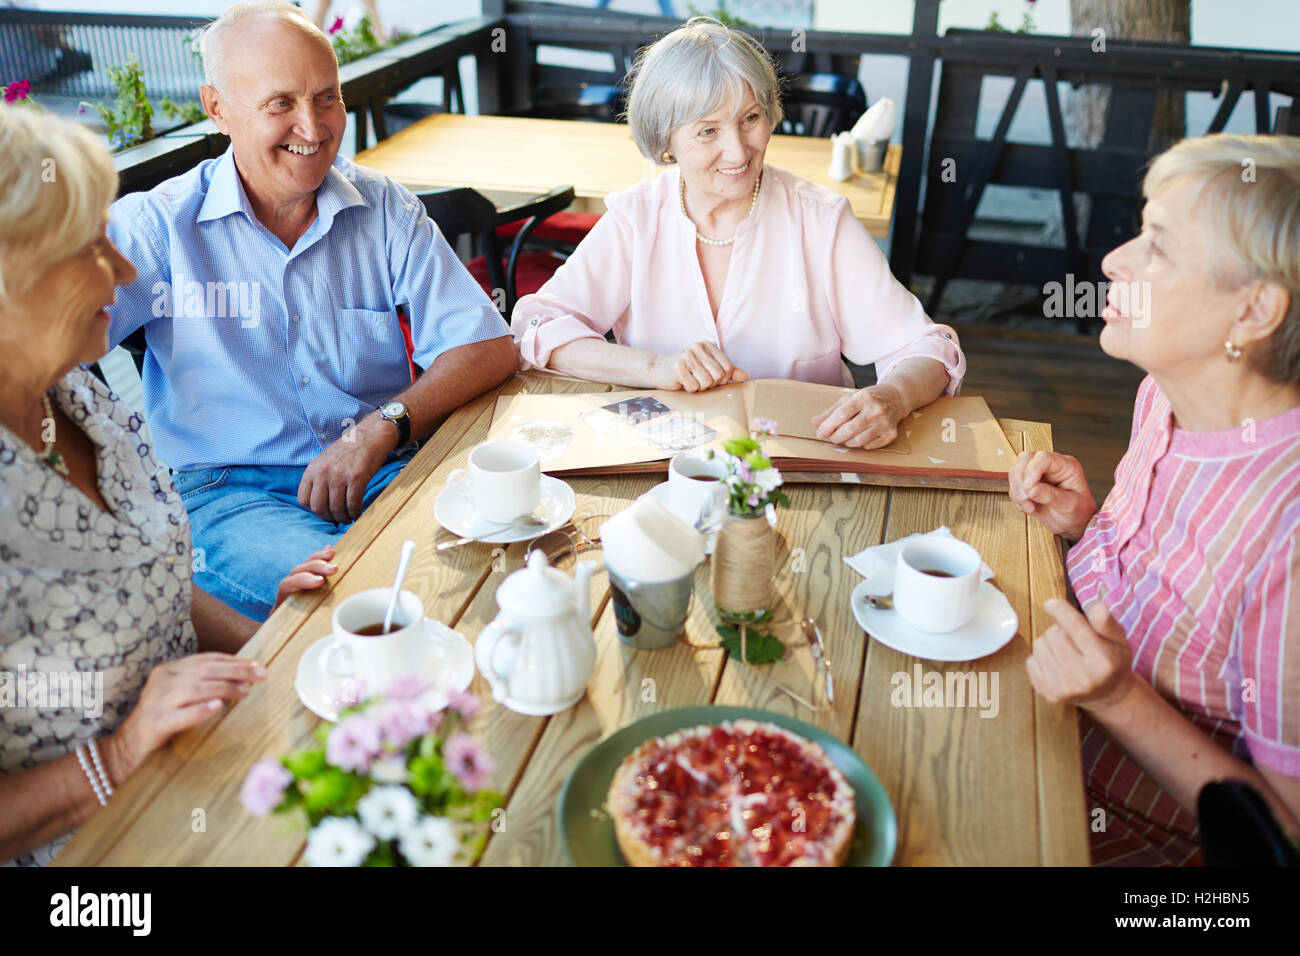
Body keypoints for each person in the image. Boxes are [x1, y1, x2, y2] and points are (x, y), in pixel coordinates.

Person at [0, 106, 337, 866]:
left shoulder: (75, 396)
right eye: (89, 249)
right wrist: (116, 759)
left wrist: (276, 656)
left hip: (211, 765)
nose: (123, 273)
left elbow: (144, 577)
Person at [104, 1, 518, 621]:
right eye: (281, 104)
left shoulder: (382, 207)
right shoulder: (158, 226)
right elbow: (37, 349)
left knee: (498, 566)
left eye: (327, 98)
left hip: (383, 463)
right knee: (367, 610)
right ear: (216, 109)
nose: (314, 126)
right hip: (231, 495)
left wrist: (382, 426)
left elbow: (487, 344)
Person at [1010, 133, 1300, 865]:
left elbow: (1283, 838)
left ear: (1254, 311)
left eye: (1159, 247)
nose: (1114, 260)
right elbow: (1170, 588)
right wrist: (1087, 527)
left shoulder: (1291, 534)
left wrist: (1116, 697)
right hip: (1040, 734)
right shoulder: (1163, 397)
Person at [510, 17, 964, 449]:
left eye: (750, 119)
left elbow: (927, 346)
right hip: (663, 463)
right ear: (665, 143)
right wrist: (655, 367)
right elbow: (537, 325)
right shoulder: (637, 218)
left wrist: (894, 397)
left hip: (800, 466)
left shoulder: (820, 221)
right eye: (708, 130)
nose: (737, 150)